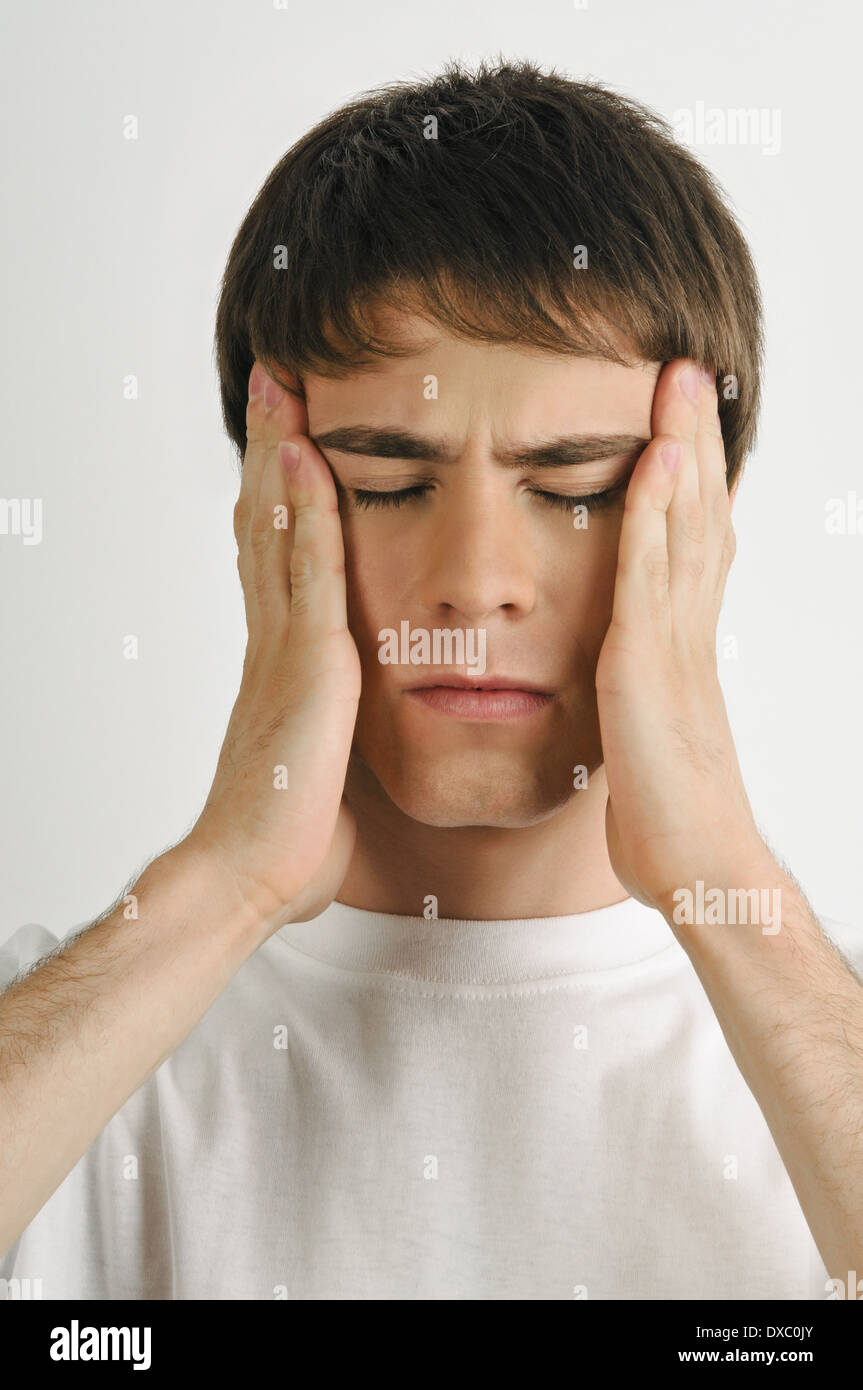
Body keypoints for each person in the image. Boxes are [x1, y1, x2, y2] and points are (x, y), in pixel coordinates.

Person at [2, 57, 861, 1302]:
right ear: (264, 510)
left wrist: (721, 879)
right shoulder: (70, 1031)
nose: (475, 580)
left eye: (572, 488)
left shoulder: (820, 1036)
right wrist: (229, 882)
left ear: (701, 525)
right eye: (386, 484)